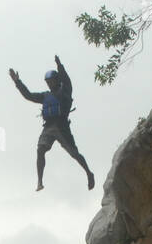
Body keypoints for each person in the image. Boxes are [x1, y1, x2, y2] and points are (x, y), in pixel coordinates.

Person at [9, 56, 94, 192]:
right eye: (47, 82)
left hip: (61, 126)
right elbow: (29, 95)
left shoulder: (64, 91)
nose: (49, 84)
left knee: (74, 153)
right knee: (40, 149)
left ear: (57, 80)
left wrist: (60, 66)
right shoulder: (45, 96)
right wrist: (17, 82)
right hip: (48, 127)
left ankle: (89, 173)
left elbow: (66, 80)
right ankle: (40, 181)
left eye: (51, 81)